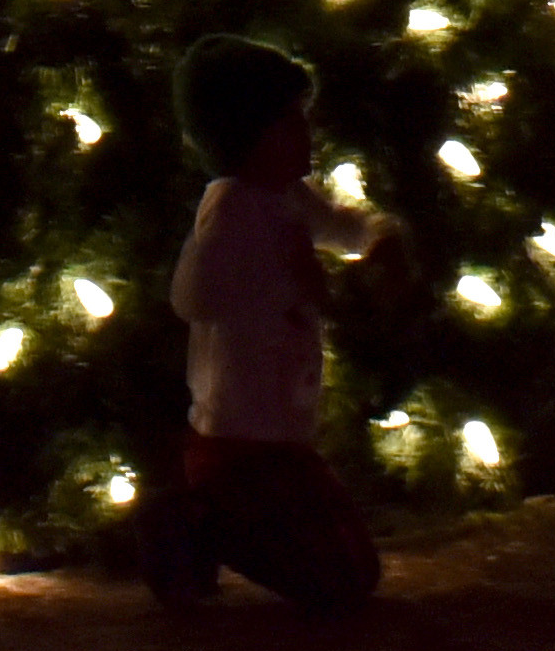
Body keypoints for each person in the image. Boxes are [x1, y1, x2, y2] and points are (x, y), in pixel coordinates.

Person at [139, 35, 383, 610]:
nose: (308, 136)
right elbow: (191, 298)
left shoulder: (288, 197)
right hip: (235, 445)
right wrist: (289, 277)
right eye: (291, 123)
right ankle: (199, 520)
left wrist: (382, 239)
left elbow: (345, 229)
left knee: (353, 567)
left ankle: (229, 523)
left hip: (284, 442)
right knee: (339, 578)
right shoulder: (229, 211)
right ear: (245, 136)